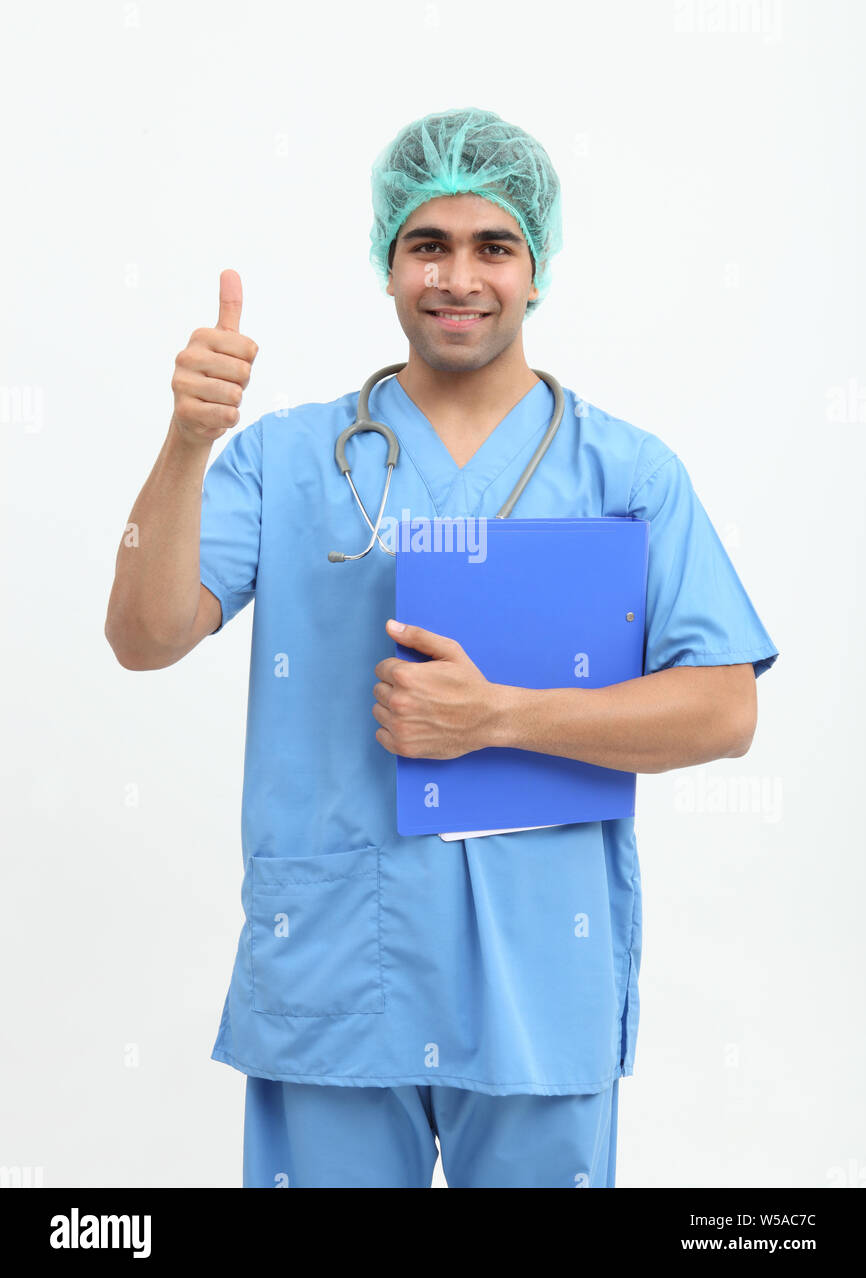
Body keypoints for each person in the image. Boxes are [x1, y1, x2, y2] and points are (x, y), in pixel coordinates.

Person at [104, 107, 779, 1189]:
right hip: (332, 964)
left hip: (536, 982)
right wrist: (188, 443)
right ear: (386, 262)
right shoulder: (286, 459)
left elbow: (723, 709)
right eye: (427, 243)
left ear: (536, 267)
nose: (457, 276)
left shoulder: (626, 474)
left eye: (491, 245)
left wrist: (500, 716)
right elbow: (143, 635)